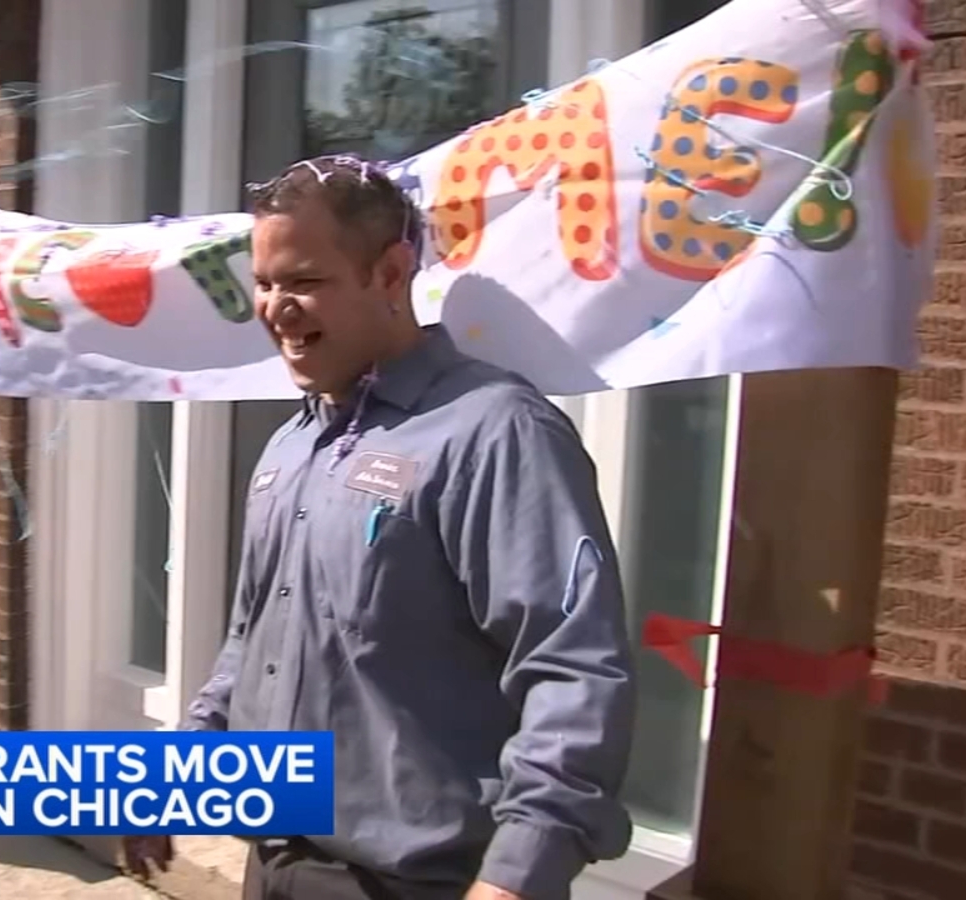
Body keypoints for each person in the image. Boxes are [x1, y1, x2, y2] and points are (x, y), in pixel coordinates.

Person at [123, 155, 637, 900]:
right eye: (264, 285)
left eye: (303, 282)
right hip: (276, 865)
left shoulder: (494, 433)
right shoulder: (290, 448)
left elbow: (573, 666)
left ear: (391, 274)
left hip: (426, 881)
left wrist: (521, 873)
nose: (276, 307)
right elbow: (254, 640)